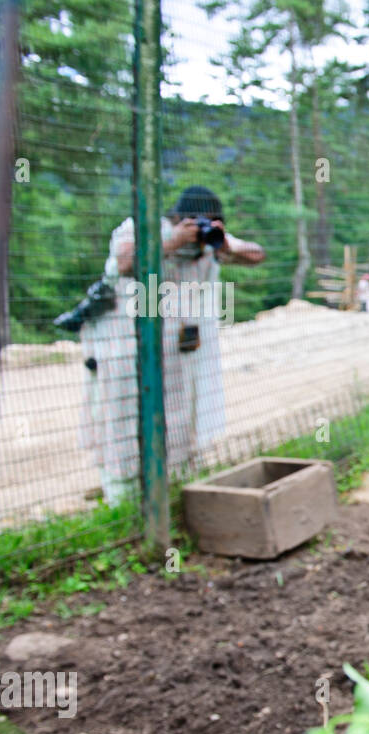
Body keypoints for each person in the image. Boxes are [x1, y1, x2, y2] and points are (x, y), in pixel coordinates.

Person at [79, 186, 264, 502]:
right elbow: (122, 263)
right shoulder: (141, 228)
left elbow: (256, 254)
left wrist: (221, 244)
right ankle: (121, 498)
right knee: (123, 420)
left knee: (178, 423)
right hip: (128, 349)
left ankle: (173, 493)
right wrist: (173, 241)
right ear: (179, 217)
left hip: (179, 355)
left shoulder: (207, 242)